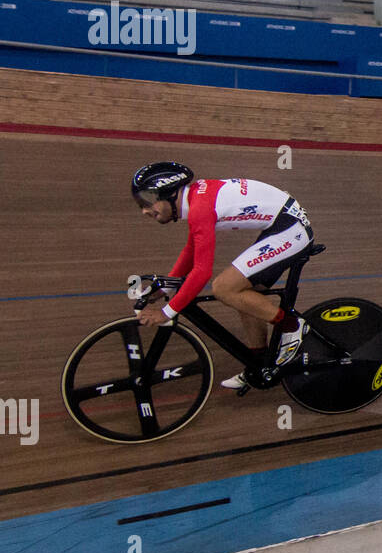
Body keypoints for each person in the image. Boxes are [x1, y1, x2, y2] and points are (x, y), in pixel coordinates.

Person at [132, 162, 314, 390]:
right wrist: (167, 288)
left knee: (224, 288)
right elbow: (191, 251)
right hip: (280, 224)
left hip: (291, 229)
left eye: (147, 202)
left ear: (168, 193)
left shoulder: (200, 208)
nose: (144, 210)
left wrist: (166, 312)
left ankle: (292, 326)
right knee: (243, 296)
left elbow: (201, 273)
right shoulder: (195, 201)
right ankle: (260, 364)